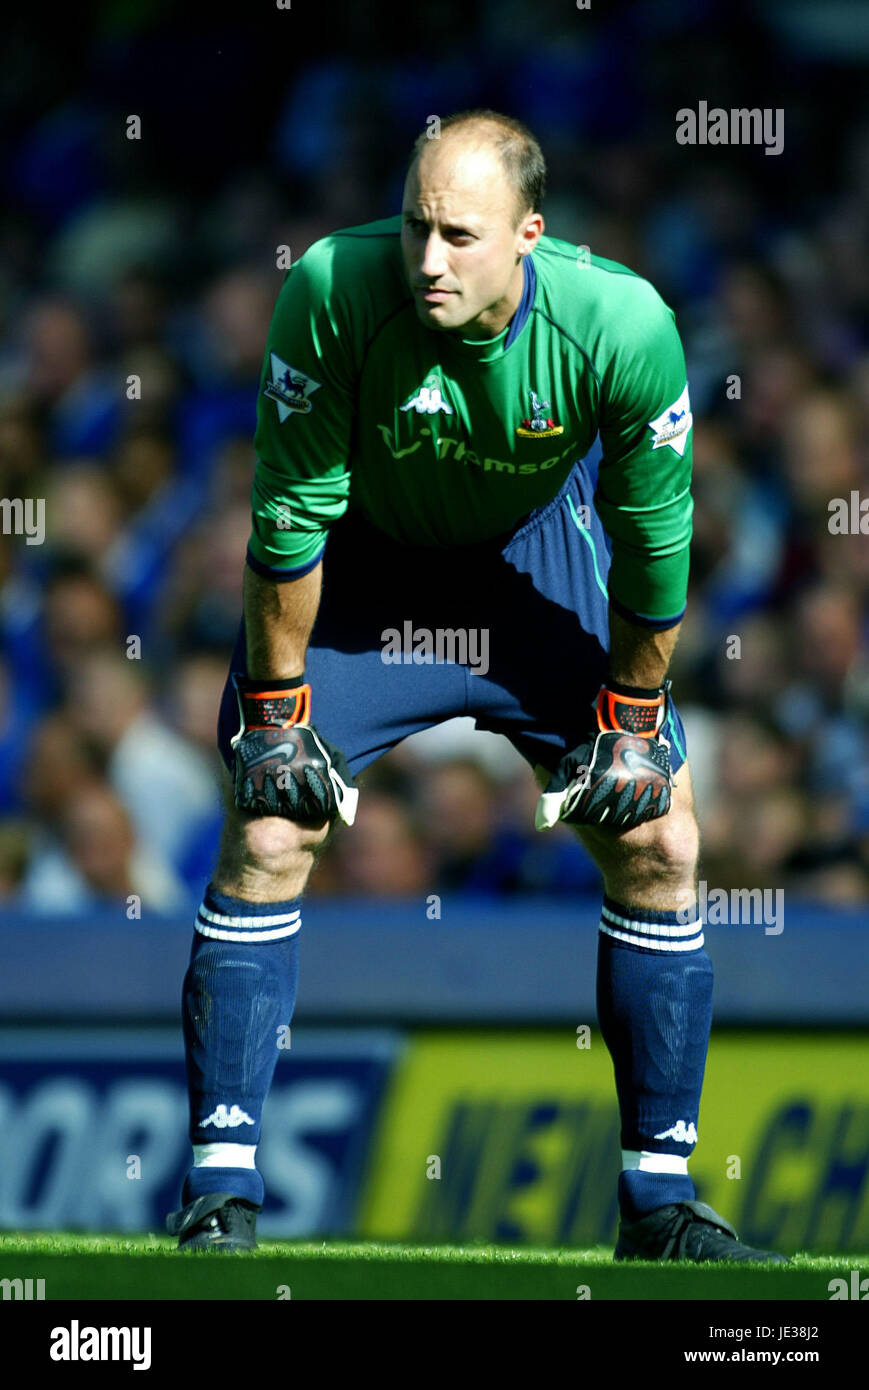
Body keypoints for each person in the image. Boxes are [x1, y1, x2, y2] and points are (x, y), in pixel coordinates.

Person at [167, 110, 786, 1263]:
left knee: (660, 838)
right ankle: (219, 1193)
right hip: (365, 571)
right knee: (266, 820)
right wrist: (275, 713)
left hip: (531, 558)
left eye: (459, 234)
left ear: (529, 236)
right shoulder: (328, 289)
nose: (430, 259)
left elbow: (654, 539)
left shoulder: (624, 322)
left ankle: (657, 1202)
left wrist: (635, 724)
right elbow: (288, 518)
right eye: (414, 228)